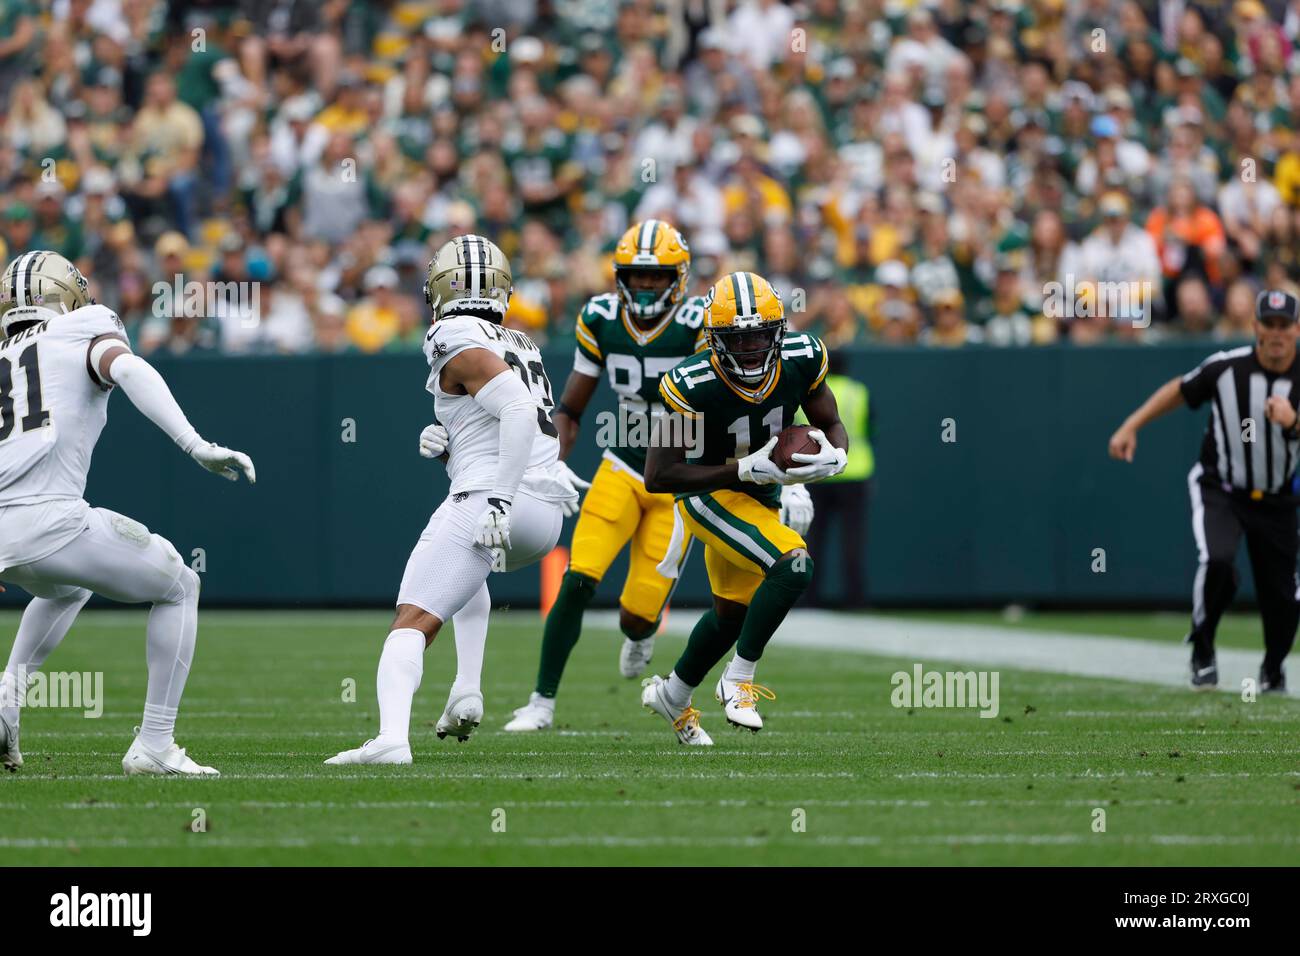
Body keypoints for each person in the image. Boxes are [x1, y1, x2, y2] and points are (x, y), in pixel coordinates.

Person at [326, 235, 583, 765]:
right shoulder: (521, 341)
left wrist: (498, 503)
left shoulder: (450, 331)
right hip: (544, 516)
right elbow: (512, 423)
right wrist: (449, 446)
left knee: (412, 619)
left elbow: (513, 411)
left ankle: (392, 739)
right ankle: (466, 688)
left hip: (499, 500)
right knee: (467, 578)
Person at [0, 251, 256, 775]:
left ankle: (7, 700)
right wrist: (195, 443)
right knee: (180, 584)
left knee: (71, 587)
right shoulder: (83, 327)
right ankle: (155, 744)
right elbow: (129, 368)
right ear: (65, 294)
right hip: (51, 519)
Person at [504, 220, 713, 733]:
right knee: (577, 580)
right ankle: (541, 702)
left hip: (677, 480)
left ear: (679, 277)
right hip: (621, 466)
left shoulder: (698, 322)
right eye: (635, 277)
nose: (643, 287)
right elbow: (571, 408)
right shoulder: (600, 316)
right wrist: (547, 461)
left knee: (635, 616)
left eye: (655, 277)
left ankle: (640, 632)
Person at [641, 271, 844, 744]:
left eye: (760, 335)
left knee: (733, 615)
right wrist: (742, 469)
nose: (752, 348)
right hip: (707, 493)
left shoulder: (803, 357)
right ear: (714, 339)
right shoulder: (691, 383)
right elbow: (659, 476)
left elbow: (830, 423)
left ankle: (673, 693)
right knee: (793, 565)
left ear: (779, 332)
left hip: (761, 495)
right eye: (739, 338)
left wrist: (837, 456)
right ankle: (739, 679)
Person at [1108, 289, 1300, 693]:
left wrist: (1294, 422)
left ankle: (1273, 667)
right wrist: (1132, 424)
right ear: (1256, 327)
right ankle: (1203, 647)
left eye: (1285, 325)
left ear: (1297, 329)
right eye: (1270, 324)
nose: (1278, 333)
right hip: (1223, 488)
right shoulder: (1227, 368)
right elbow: (1180, 389)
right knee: (1218, 562)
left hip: (1278, 498)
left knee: (1283, 597)